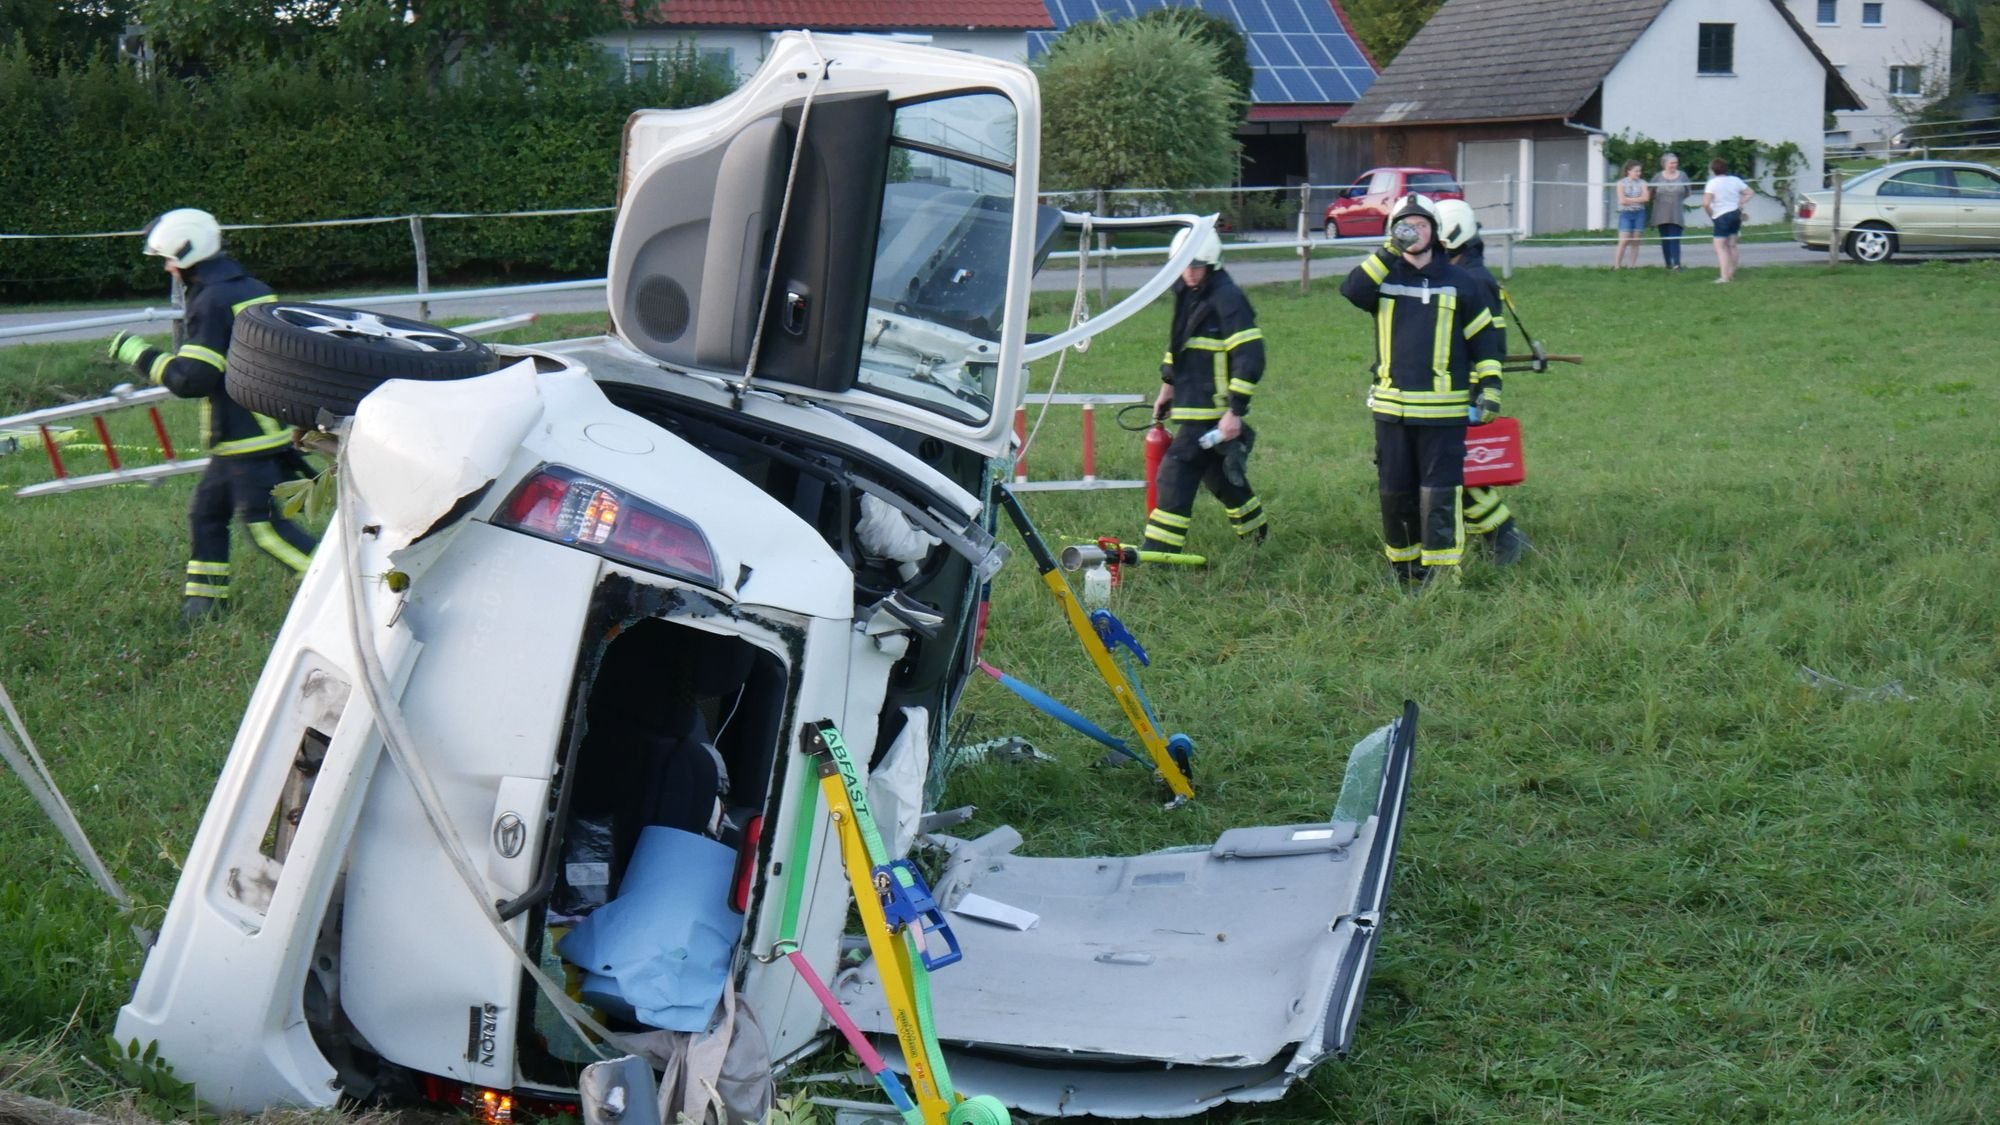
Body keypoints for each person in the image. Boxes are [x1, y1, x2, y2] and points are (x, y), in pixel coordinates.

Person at [109, 208, 316, 622]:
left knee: (263, 528)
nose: (167, 268)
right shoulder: (251, 288)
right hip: (258, 428)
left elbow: (193, 379)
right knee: (206, 515)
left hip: (246, 437)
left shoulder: (211, 300)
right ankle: (203, 607)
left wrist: (138, 354)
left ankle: (350, 588)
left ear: (188, 253)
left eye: (169, 259)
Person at [1340, 194, 1504, 589]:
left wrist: (1491, 387)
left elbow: (1485, 341)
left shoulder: (1461, 282)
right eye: (1406, 226)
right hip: (1392, 412)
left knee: (1439, 497)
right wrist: (1389, 251)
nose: (1414, 232)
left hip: (1443, 414)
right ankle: (1404, 571)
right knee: (1395, 494)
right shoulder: (1383, 278)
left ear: (1435, 231)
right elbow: (1352, 289)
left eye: (1422, 225)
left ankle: (1442, 578)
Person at [1138, 225, 1268, 554]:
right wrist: (1167, 388)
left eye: (1197, 266)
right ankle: (1256, 534)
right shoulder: (1188, 293)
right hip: (1193, 404)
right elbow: (1179, 346)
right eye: (1184, 265)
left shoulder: (1228, 298)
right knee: (1219, 476)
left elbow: (1250, 356)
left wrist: (1235, 412)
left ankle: (1160, 553)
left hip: (1214, 410)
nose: (1190, 272)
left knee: (1175, 472)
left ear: (1212, 264)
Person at [1431, 199, 1530, 566]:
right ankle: (1490, 536)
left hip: (1464, 392)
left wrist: (1476, 393)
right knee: (1453, 470)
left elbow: (1489, 344)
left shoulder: (1474, 281)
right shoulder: (1463, 274)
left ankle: (1505, 536)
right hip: (1449, 388)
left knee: (1455, 471)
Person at [1703, 157, 1752, 283]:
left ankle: (1724, 276)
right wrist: (1740, 202)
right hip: (1735, 213)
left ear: (1713, 170)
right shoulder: (1735, 180)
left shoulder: (1712, 183)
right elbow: (1750, 192)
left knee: (1719, 246)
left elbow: (1706, 203)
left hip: (1721, 215)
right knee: (1732, 245)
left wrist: (1711, 215)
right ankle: (1731, 273)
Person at [1650, 151, 1693, 271]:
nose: (1674, 165)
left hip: (1676, 212)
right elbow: (1651, 192)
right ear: (1665, 164)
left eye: (1676, 163)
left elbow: (1688, 192)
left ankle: (1677, 264)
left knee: (1675, 238)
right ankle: (1668, 264)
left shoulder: (1682, 175)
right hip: (1661, 212)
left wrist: (1676, 199)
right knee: (1665, 239)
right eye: (1671, 163)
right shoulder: (1657, 177)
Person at [1613, 160, 1650, 269]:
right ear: (1629, 171)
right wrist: (1638, 199)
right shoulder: (1621, 183)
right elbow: (1622, 201)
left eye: (1640, 171)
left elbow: (1646, 198)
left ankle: (1631, 266)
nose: (1639, 173)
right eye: (1636, 171)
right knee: (1624, 240)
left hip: (1639, 213)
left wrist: (1629, 199)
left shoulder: (1643, 183)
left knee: (1635, 241)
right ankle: (1617, 266)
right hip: (1626, 213)